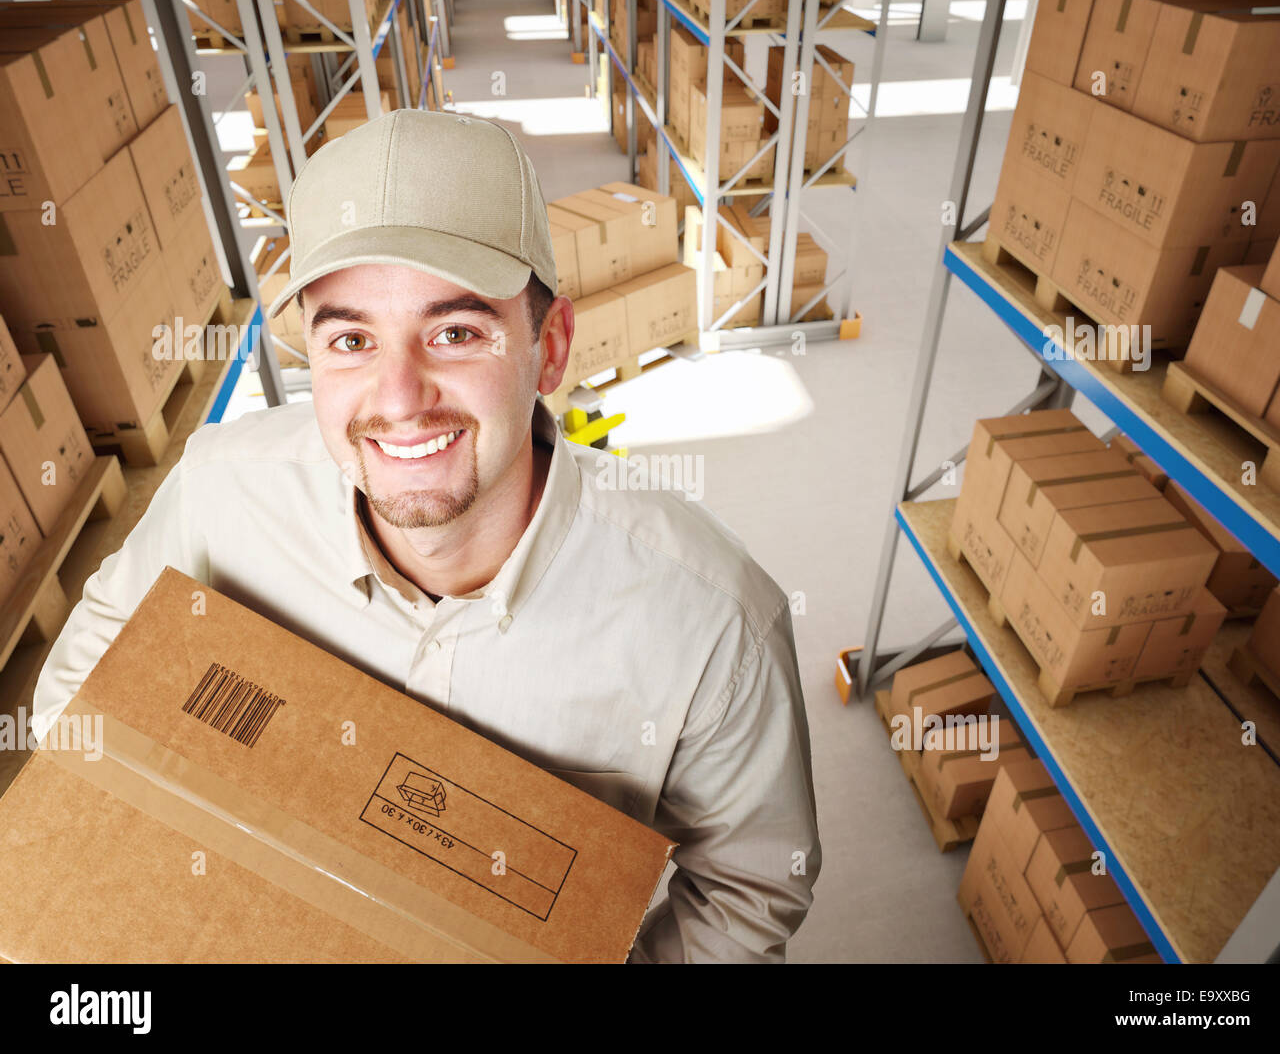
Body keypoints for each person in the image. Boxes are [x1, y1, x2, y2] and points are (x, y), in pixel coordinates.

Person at [33, 109, 821, 962]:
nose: (400, 397)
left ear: (549, 348)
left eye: (455, 332)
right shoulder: (221, 494)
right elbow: (78, 695)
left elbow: (751, 884)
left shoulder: (713, 624)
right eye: (351, 339)